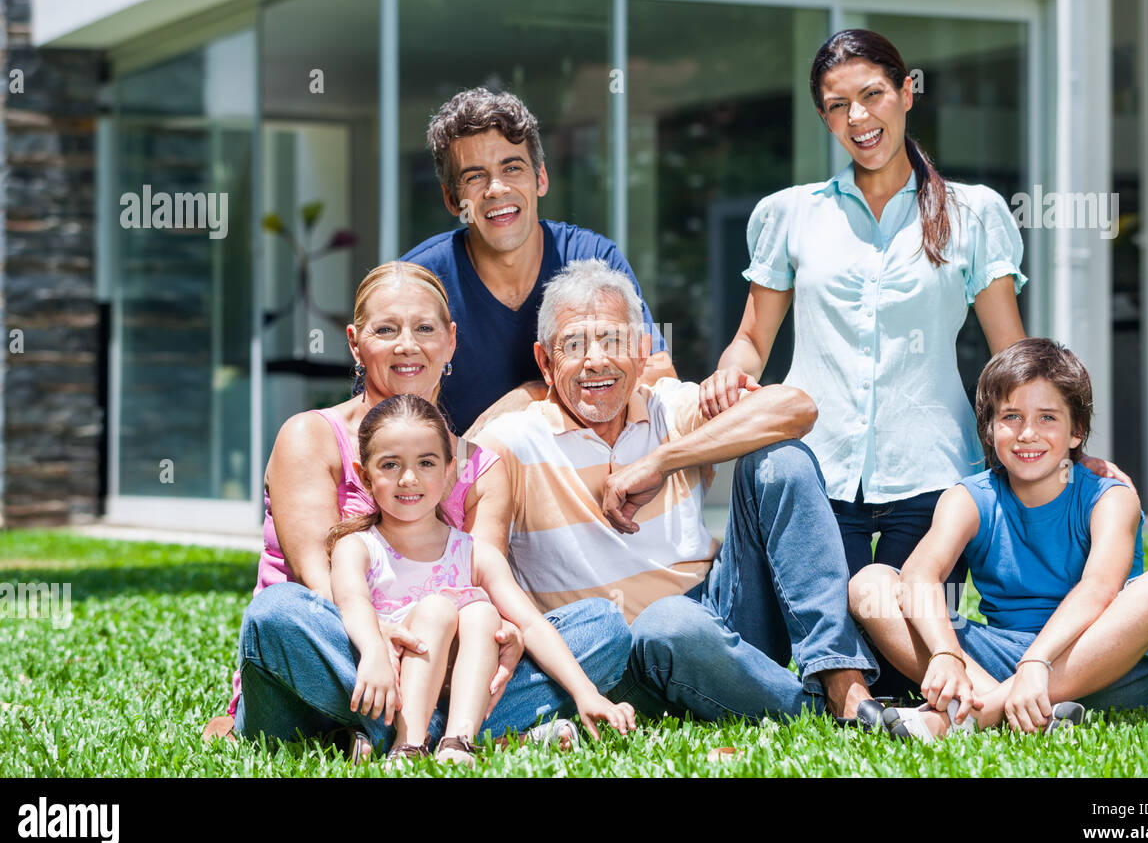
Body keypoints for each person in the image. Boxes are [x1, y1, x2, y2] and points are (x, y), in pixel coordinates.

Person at [700, 29, 1129, 694]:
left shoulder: (972, 214)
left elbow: (1010, 352)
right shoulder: (791, 215)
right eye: (838, 106)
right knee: (830, 669)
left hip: (932, 476)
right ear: (824, 117)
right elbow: (752, 339)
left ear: (907, 94)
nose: (859, 118)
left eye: (873, 95)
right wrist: (733, 368)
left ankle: (980, 693)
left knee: (904, 671)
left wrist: (1058, 432)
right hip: (817, 473)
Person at [218, 261, 631, 755]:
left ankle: (393, 736)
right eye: (386, 330)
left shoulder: (481, 468)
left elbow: (484, 591)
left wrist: (501, 635)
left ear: (451, 340)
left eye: (425, 328)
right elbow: (320, 583)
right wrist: (377, 640)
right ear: (355, 342)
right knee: (275, 615)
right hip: (336, 653)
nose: (407, 345)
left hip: (449, 662)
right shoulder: (310, 435)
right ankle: (467, 731)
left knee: (602, 629)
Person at [468, 259, 889, 729]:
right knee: (666, 622)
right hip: (622, 663)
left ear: (642, 350)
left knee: (782, 462)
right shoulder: (512, 443)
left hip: (722, 620)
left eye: (613, 341)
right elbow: (477, 559)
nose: (596, 361)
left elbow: (797, 409)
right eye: (574, 346)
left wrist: (662, 461)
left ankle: (840, 677)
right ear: (545, 363)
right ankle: (822, 716)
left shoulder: (669, 405)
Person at [847, 338, 1148, 741]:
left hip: (1097, 659)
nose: (1028, 433)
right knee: (870, 584)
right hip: (998, 659)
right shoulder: (969, 498)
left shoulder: (1110, 497)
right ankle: (1026, 711)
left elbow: (1099, 588)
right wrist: (946, 654)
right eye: (1011, 416)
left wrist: (1038, 663)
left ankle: (971, 716)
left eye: (1048, 418)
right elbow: (920, 574)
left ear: (1076, 431)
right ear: (990, 428)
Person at [327, 393, 636, 766]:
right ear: (364, 476)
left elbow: (530, 623)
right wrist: (375, 651)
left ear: (448, 472)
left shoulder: (473, 553)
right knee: (437, 611)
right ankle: (408, 743)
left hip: (465, 693)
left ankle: (457, 742)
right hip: (384, 689)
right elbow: (351, 604)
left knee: (488, 615)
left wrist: (586, 693)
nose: (408, 479)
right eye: (390, 465)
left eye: (426, 463)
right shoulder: (357, 547)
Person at [401, 87, 675, 436]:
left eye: (512, 168)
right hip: (460, 480)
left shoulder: (592, 259)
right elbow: (375, 412)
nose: (496, 189)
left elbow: (657, 372)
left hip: (577, 475)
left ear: (540, 178)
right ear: (452, 199)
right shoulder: (418, 283)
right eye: (474, 176)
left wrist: (529, 396)